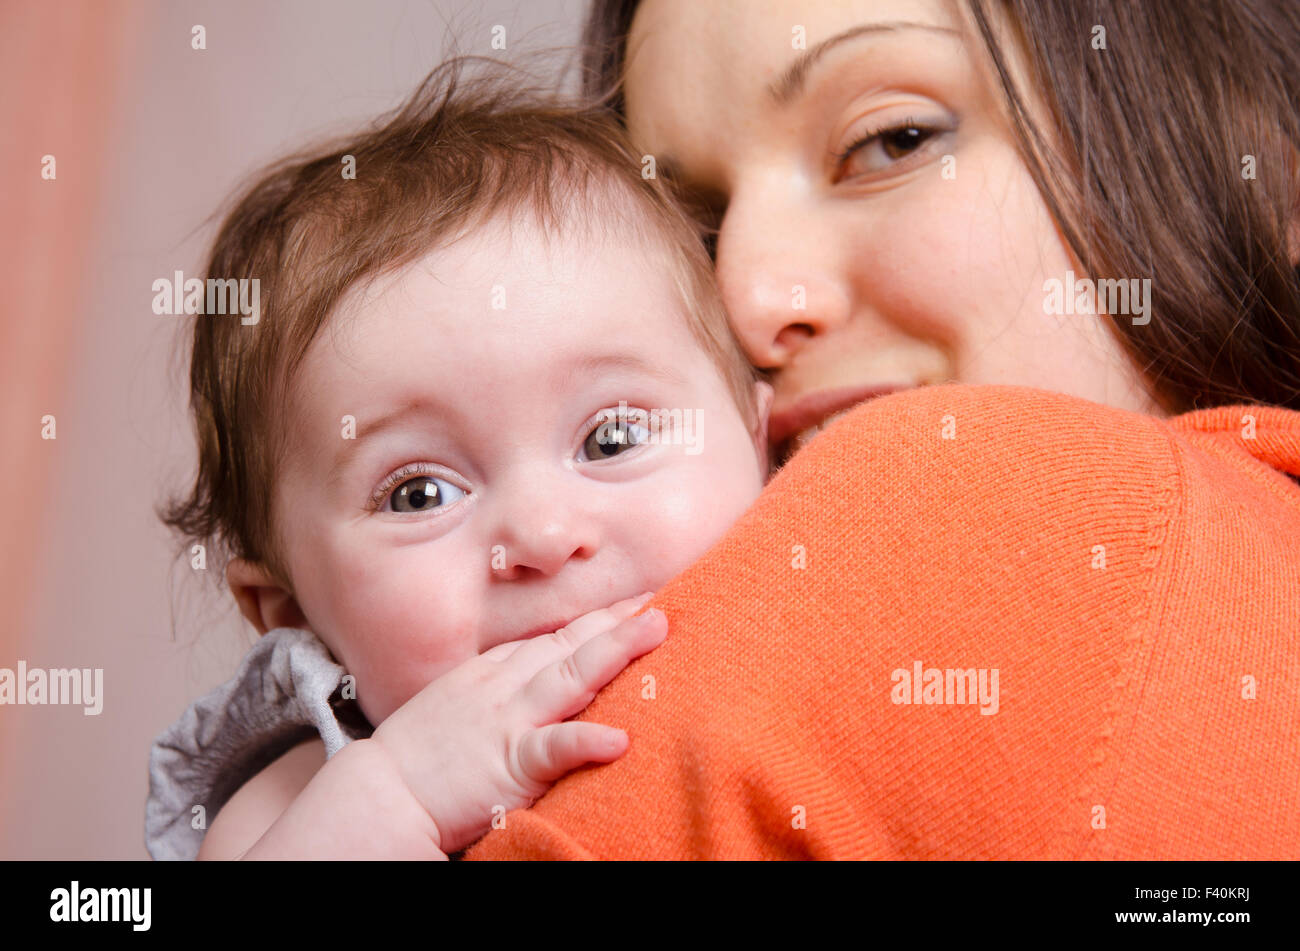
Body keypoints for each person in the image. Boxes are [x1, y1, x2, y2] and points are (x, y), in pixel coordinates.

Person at [456, 0, 1300, 858]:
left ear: (1272, 155)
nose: (744, 296)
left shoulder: (942, 496)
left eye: (891, 141)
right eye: (695, 230)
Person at [144, 59, 773, 860]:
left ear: (760, 447)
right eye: (418, 494)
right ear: (292, 612)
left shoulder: (817, 632)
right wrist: (403, 795)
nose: (542, 536)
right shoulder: (301, 799)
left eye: (611, 439)